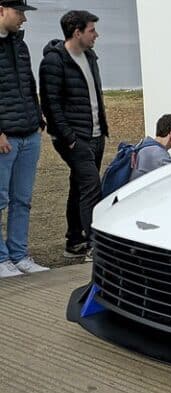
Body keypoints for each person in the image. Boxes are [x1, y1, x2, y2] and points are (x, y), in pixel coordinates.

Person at [39, 10, 107, 262]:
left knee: (80, 185)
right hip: (74, 138)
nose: (96, 35)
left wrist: (102, 129)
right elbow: (51, 104)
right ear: (76, 32)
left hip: (96, 135)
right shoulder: (54, 62)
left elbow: (94, 97)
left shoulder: (90, 57)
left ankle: (74, 240)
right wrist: (69, 138)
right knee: (91, 187)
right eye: (92, 30)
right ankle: (93, 245)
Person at [0, 0, 48, 277]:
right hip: (5, 138)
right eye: (20, 13)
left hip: (29, 132)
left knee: (23, 199)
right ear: (2, 10)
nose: (24, 19)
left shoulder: (20, 45)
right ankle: (1, 259)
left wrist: (38, 118)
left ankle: (19, 255)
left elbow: (29, 85)